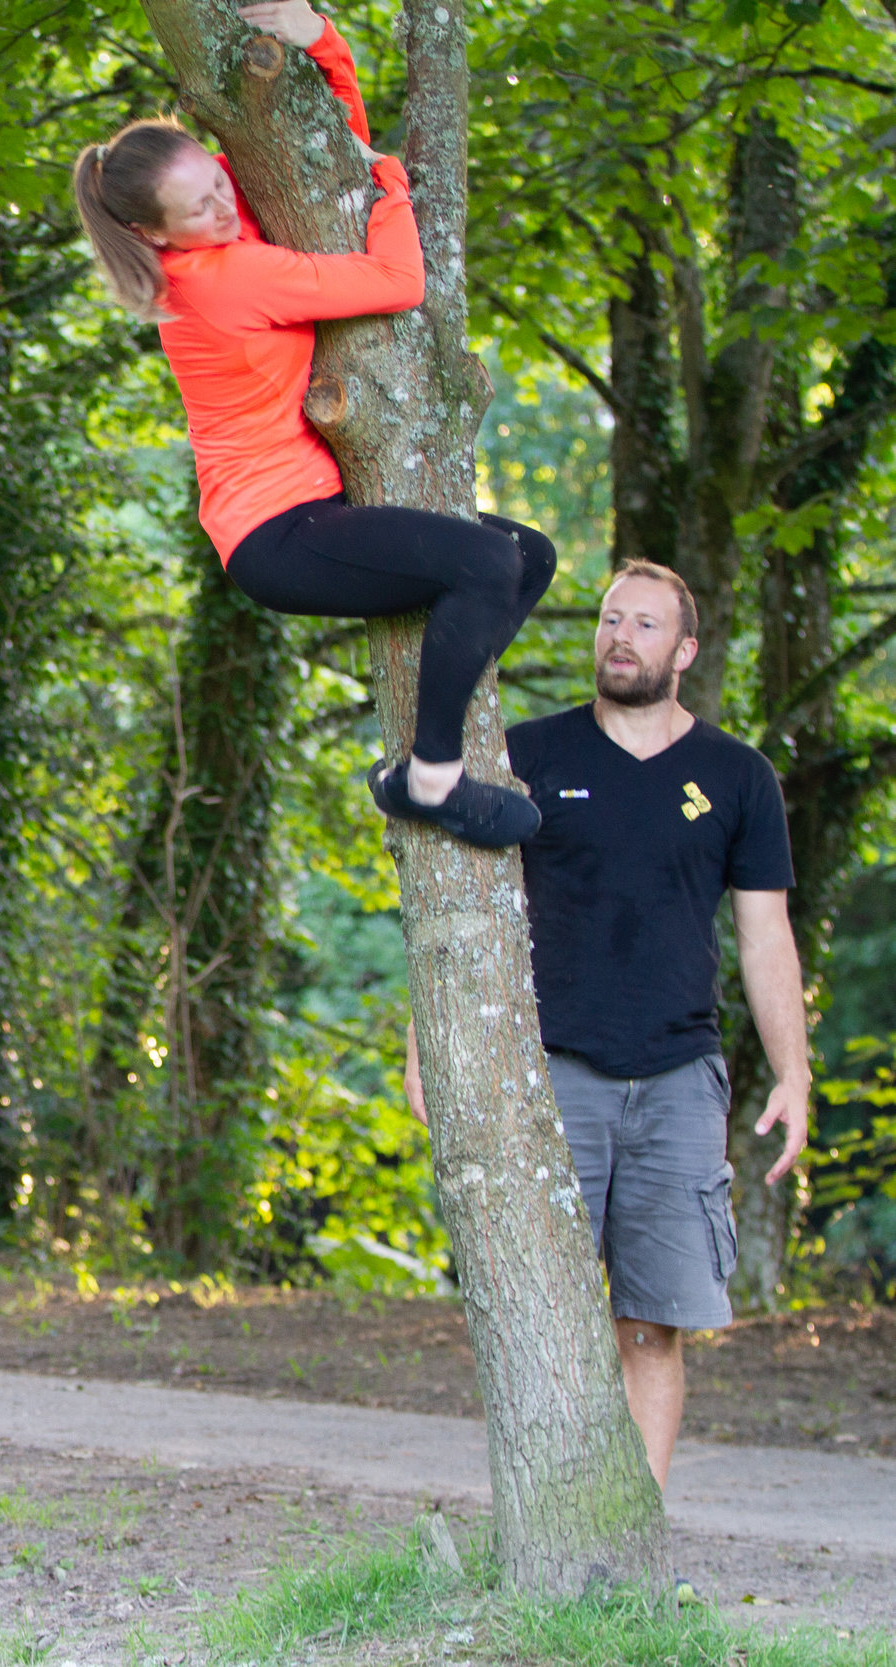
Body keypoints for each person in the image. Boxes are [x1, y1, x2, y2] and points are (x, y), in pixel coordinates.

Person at [71, 0, 554, 849]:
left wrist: (325, 43)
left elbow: (331, 165)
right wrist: (395, 182)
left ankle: (442, 697)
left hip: (318, 507)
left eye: (219, 183)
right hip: (278, 535)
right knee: (485, 563)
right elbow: (398, 279)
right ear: (152, 233)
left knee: (530, 558)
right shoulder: (223, 279)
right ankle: (430, 779)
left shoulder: (216, 236)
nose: (223, 203)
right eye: (200, 206)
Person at [406, 561, 809, 1489]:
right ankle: (546, 1526)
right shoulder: (527, 755)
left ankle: (634, 1539)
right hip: (549, 1072)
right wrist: (426, 1048)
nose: (621, 636)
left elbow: (766, 937)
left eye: (646, 625)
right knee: (539, 1309)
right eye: (610, 618)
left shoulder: (738, 777)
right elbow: (455, 905)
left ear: (686, 650)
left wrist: (793, 1073)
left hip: (678, 1076)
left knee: (651, 1325)